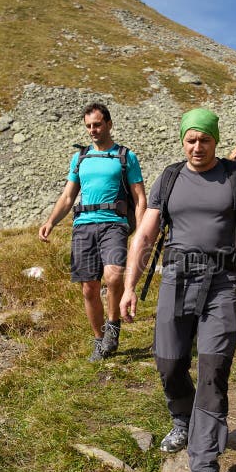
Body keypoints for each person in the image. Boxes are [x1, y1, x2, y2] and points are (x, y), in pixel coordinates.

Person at [120, 108, 236, 472]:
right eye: (190, 139)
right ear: (182, 141)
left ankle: (204, 465)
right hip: (176, 279)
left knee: (214, 368)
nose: (197, 146)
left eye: (204, 139)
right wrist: (128, 286)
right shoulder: (169, 178)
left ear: (216, 140)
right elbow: (145, 235)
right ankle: (182, 417)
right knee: (169, 362)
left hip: (221, 283)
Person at [39, 103, 146, 362]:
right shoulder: (80, 158)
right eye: (88, 126)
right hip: (83, 226)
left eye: (97, 124)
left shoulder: (125, 156)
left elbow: (140, 197)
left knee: (113, 276)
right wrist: (51, 221)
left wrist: (142, 230)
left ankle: (113, 326)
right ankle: (99, 340)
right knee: (89, 288)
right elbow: (67, 196)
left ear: (108, 124)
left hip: (114, 223)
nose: (92, 130)